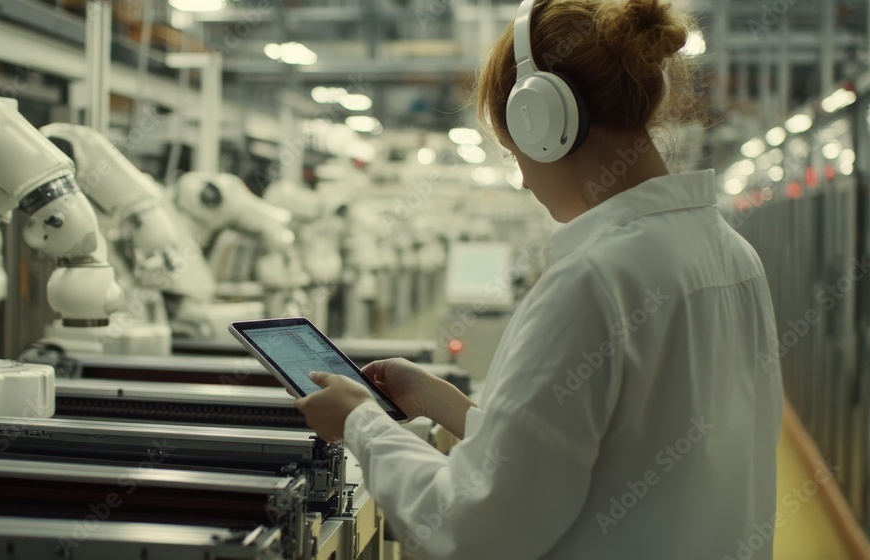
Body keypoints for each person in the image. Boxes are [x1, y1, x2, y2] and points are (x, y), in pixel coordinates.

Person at [294, 0, 784, 558]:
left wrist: (360, 423)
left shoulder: (594, 280)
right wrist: (440, 403)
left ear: (546, 122)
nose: (524, 179)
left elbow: (477, 527)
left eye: (514, 150)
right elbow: (591, 449)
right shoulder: (734, 257)